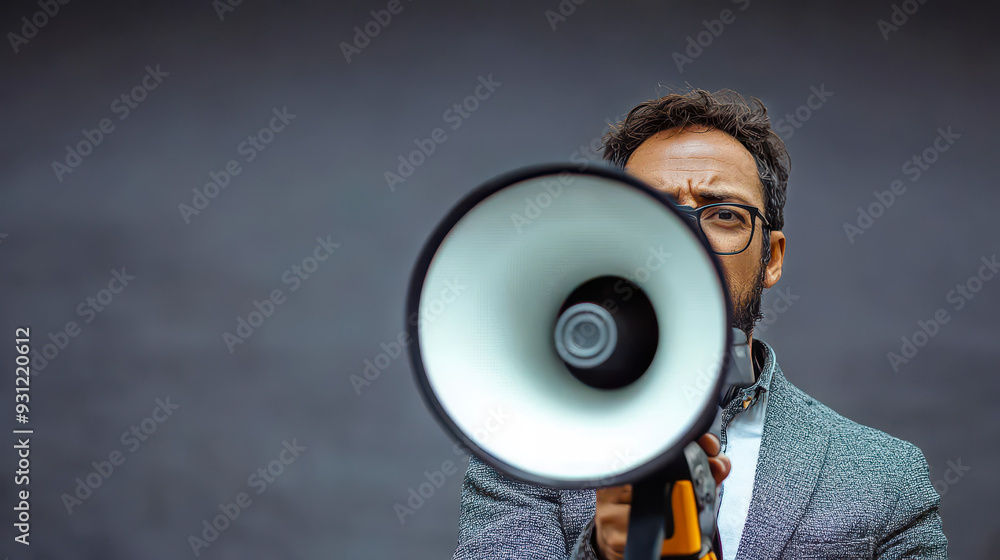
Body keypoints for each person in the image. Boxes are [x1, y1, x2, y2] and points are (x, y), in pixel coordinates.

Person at [451, 89, 948, 560]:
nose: (684, 238)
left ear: (771, 258)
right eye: (653, 210)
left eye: (723, 214)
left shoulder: (885, 477)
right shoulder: (524, 454)